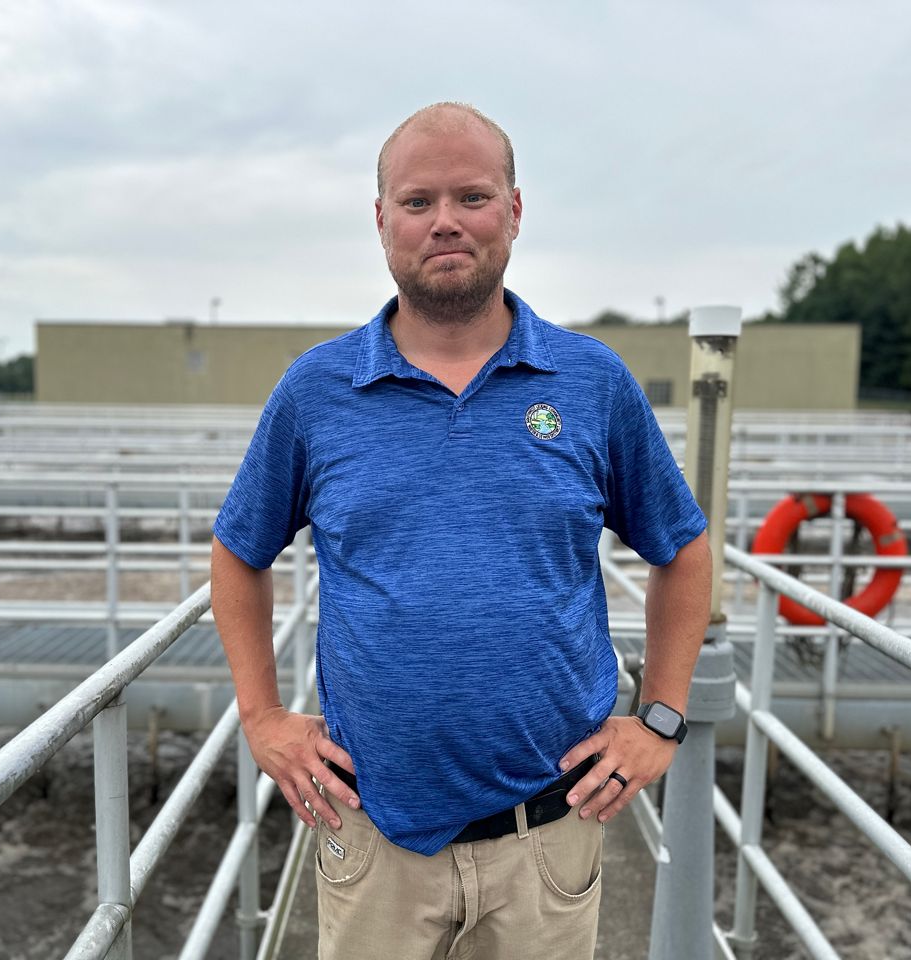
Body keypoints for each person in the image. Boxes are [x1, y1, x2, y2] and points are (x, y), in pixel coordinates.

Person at [211, 101, 711, 959]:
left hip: (547, 837)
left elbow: (683, 549)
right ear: (381, 222)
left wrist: (659, 718)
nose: (445, 221)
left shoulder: (590, 381)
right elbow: (238, 552)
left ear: (515, 210)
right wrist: (261, 717)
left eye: (472, 197)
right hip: (374, 834)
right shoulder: (317, 391)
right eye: (417, 202)